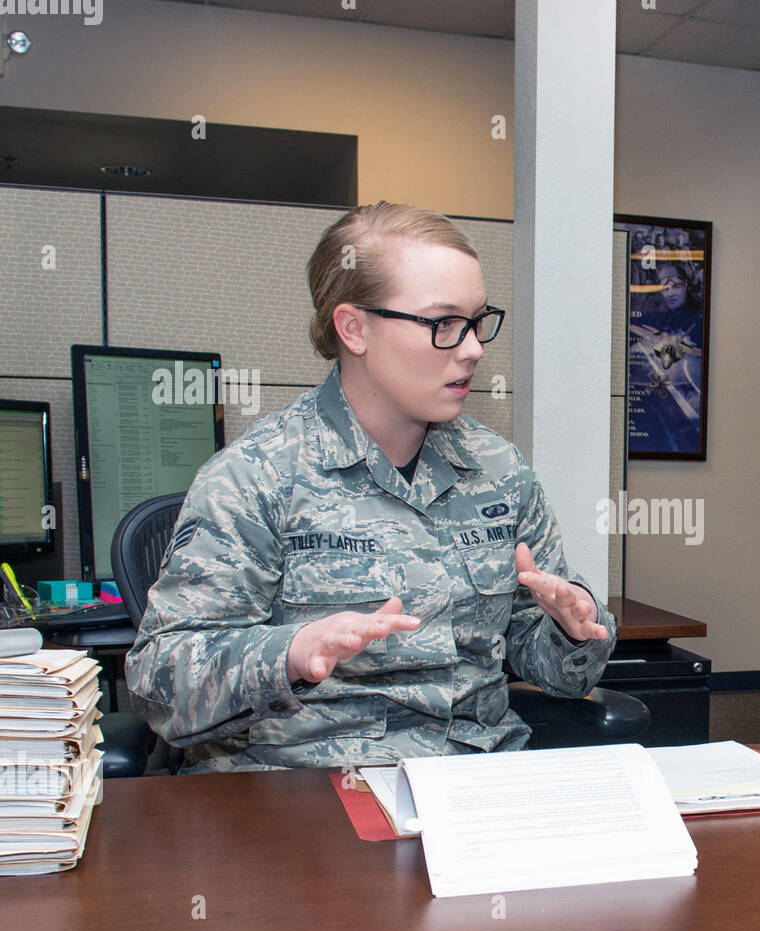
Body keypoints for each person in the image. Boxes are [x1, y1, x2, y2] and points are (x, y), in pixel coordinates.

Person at [126, 202, 616, 771]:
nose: (474, 348)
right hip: (305, 798)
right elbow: (159, 681)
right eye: (443, 324)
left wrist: (574, 632)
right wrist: (290, 653)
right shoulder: (257, 476)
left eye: (477, 322)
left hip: (471, 789)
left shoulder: (498, 471)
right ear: (354, 328)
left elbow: (557, 673)